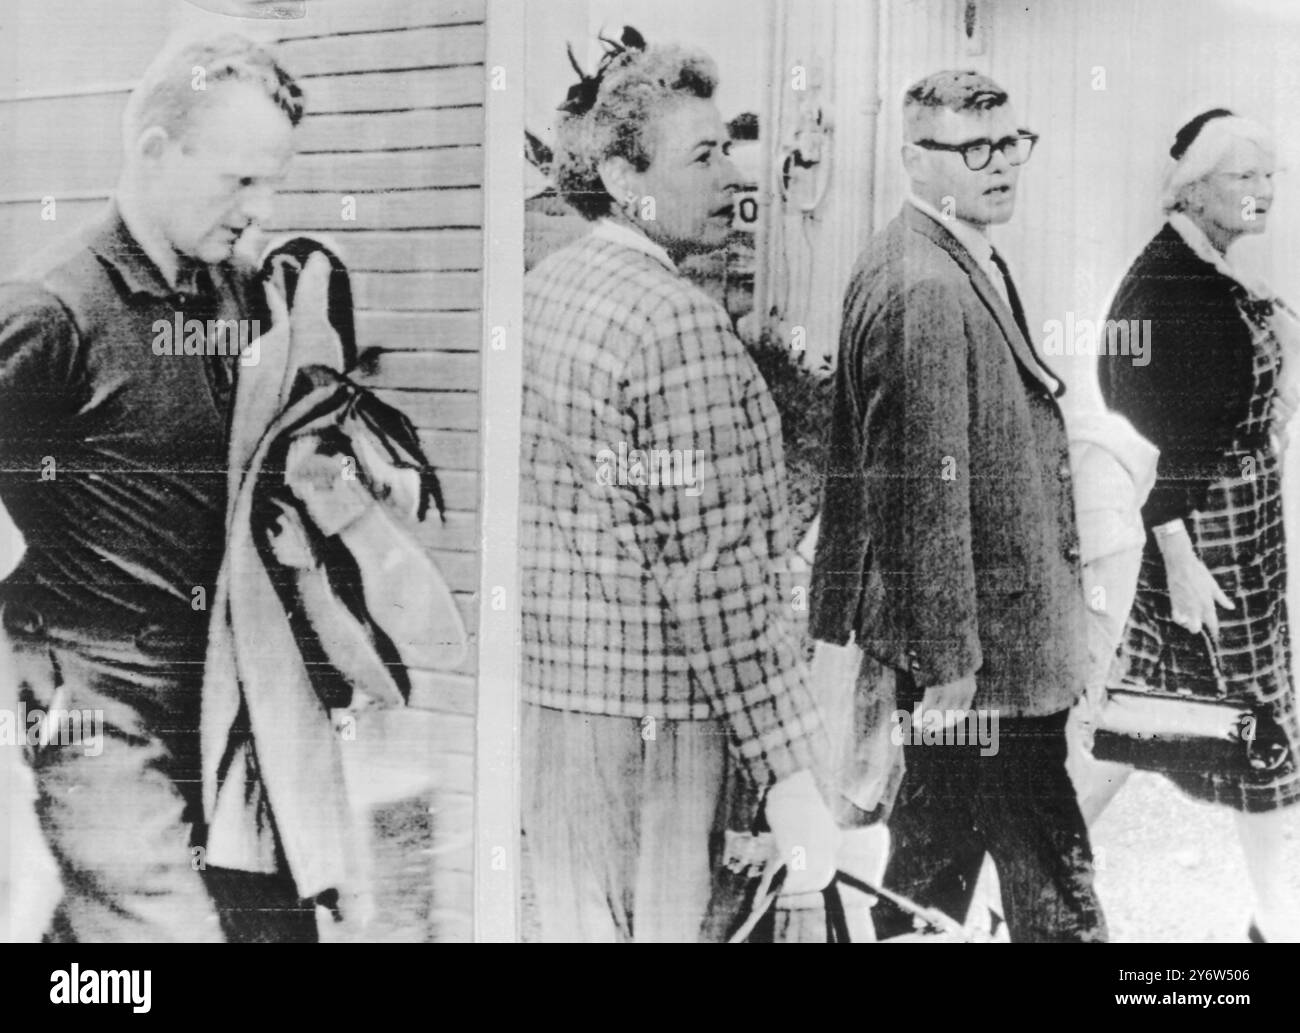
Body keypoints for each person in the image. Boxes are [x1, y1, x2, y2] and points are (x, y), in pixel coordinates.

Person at [520, 31, 837, 942]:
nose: (733, 175)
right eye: (703, 155)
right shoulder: (678, 322)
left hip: (557, 716)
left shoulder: (551, 289)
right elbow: (719, 578)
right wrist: (791, 777)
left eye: (730, 146)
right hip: (660, 725)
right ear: (625, 178)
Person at [0, 33, 308, 942]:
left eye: (273, 181)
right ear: (154, 151)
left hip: (215, 710)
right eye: (238, 181)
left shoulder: (236, 299)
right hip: (94, 717)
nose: (261, 209)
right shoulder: (52, 309)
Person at [809, 70, 1107, 942]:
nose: (1002, 164)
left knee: (930, 871)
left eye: (1014, 143)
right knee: (1055, 892)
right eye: (975, 148)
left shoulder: (937, 249)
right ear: (915, 158)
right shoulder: (927, 289)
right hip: (984, 667)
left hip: (967, 658)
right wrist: (950, 668)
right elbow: (922, 491)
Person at [1097, 109, 1300, 943]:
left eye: (1268, 177)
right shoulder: (1168, 282)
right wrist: (1177, 554)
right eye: (1242, 178)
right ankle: (1283, 920)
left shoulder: (1210, 269)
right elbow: (1142, 416)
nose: (1260, 193)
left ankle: (1021, 867)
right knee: (1250, 725)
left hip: (1234, 525)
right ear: (1195, 188)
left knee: (1151, 717)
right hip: (1205, 535)